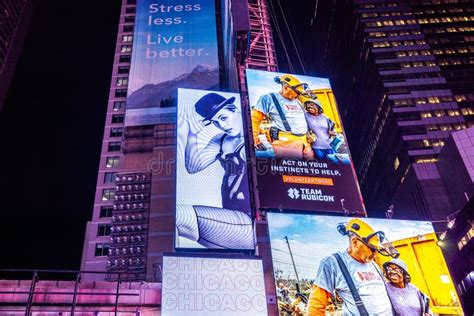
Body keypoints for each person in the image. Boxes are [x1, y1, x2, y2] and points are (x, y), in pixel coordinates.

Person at [176, 92, 253, 249]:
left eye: (223, 118)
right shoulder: (222, 139)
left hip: (252, 223)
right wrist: (193, 133)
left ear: (235, 110)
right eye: (215, 122)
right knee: (175, 217)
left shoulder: (256, 136)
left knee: (179, 216)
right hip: (231, 219)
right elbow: (193, 166)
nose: (222, 126)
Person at [307, 219, 399, 316]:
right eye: (372, 249)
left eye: (376, 250)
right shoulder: (333, 263)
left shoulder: (373, 264)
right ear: (354, 242)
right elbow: (316, 304)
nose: (375, 254)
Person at [251, 74, 314, 160]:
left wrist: (309, 133)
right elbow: (254, 119)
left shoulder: (297, 101)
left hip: (305, 142)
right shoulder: (269, 98)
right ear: (286, 88)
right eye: (297, 92)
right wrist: (255, 140)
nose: (298, 95)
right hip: (286, 143)